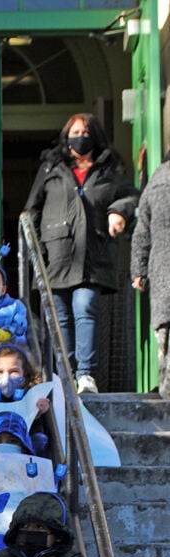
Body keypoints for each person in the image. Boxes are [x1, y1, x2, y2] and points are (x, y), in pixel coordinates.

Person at [25, 112, 139, 394]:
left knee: (84, 308)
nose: (80, 137)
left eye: (86, 132)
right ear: (66, 137)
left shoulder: (109, 171)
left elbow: (133, 196)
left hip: (94, 254)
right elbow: (32, 210)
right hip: (56, 254)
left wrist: (117, 211)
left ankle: (85, 375)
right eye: (75, 131)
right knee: (61, 318)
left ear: (95, 137)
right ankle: (65, 375)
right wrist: (36, 250)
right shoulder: (51, 169)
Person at [131, 151, 170, 399]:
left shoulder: (157, 180)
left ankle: (167, 393)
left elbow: (141, 233)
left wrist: (139, 270)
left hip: (163, 273)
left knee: (165, 340)